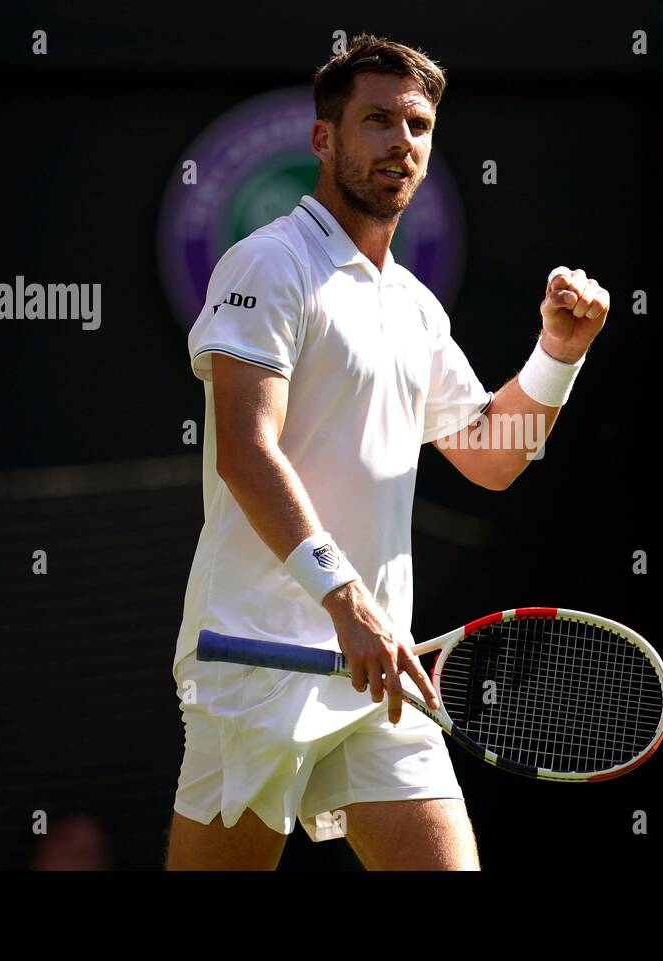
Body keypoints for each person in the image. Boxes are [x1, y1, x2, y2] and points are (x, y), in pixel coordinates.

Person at [164, 33, 610, 870]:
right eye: (376, 120)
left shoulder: (412, 305)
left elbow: (492, 454)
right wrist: (348, 600)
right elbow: (244, 452)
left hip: (378, 679)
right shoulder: (266, 262)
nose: (400, 142)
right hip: (257, 663)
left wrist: (558, 354)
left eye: (417, 124)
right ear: (324, 140)